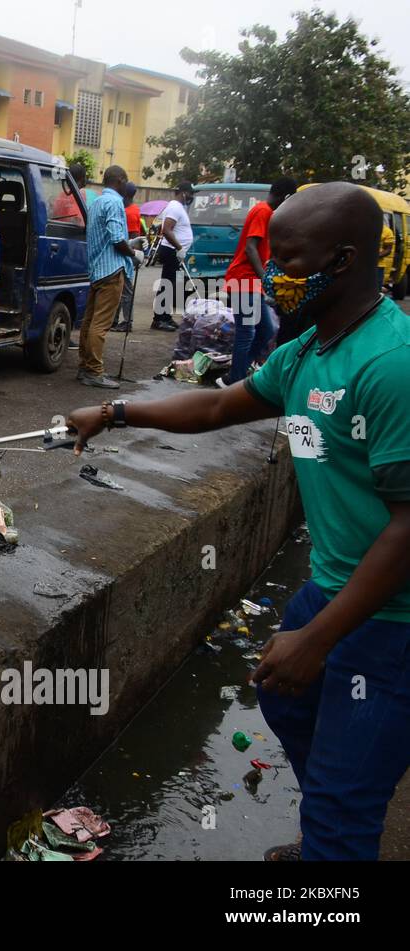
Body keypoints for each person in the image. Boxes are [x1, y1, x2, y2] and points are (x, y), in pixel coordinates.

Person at [68, 182, 410, 861]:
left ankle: (337, 839)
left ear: (342, 261)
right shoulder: (310, 349)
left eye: (288, 261)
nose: (274, 278)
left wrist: (317, 639)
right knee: (283, 699)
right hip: (335, 585)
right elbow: (222, 407)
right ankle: (333, 825)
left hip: (393, 621)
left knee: (345, 800)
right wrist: (115, 413)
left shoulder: (390, 365)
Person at [223, 178, 297, 382]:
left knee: (267, 330)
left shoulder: (267, 212)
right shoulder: (263, 211)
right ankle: (235, 380)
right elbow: (250, 247)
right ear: (287, 197)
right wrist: (266, 280)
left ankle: (237, 373)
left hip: (251, 283)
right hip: (242, 280)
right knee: (246, 332)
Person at [77, 165, 143, 388]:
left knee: (89, 322)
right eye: (126, 181)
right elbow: (116, 239)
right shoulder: (115, 202)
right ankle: (94, 372)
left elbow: (108, 237)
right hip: (112, 270)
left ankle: (85, 367)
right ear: (120, 180)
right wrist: (134, 253)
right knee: (100, 325)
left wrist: (129, 243)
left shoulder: (96, 203)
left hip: (97, 268)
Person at [152, 181, 195, 331]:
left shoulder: (178, 207)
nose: (191, 197)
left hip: (174, 251)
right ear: (183, 192)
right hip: (171, 250)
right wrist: (179, 248)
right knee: (166, 285)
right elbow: (166, 230)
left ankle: (165, 316)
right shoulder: (175, 207)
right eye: (190, 193)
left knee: (171, 284)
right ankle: (158, 319)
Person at [111, 181, 144, 333]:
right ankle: (115, 320)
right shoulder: (132, 209)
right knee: (119, 289)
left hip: (127, 252)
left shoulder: (129, 212)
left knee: (125, 290)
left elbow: (132, 236)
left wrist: (133, 255)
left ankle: (126, 321)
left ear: (125, 195)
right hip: (128, 251)